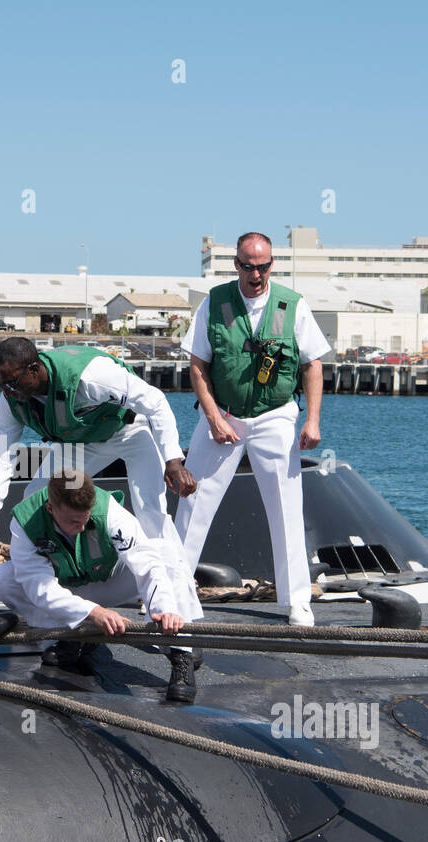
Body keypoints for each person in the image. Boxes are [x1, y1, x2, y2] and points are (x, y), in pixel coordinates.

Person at [174, 232, 329, 626]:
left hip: (275, 416)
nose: (256, 274)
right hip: (223, 414)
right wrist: (213, 418)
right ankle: (173, 593)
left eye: (263, 266)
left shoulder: (291, 306)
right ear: (236, 265)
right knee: (192, 504)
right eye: (248, 266)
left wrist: (312, 419)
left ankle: (297, 603)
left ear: (271, 264)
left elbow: (312, 364)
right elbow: (198, 365)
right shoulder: (216, 302)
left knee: (285, 508)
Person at [0, 337, 198, 588]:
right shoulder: (11, 399)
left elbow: (156, 402)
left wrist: (173, 461)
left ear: (34, 370)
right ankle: (49, 579)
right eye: (1, 385)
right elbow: (0, 455)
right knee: (36, 499)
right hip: (80, 443)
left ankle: (177, 586)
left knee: (150, 509)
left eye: (12, 383)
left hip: (130, 431)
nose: (7, 392)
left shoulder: (91, 376)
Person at [0, 468, 202, 703]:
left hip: (108, 581)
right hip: (66, 590)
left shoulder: (109, 511)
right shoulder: (25, 522)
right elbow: (39, 586)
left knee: (166, 552)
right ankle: (63, 638)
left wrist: (164, 607)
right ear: (50, 509)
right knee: (2, 579)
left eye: (86, 519)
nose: (81, 528)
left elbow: (146, 563)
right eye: (72, 521)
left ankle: (181, 652)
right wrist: (92, 613)